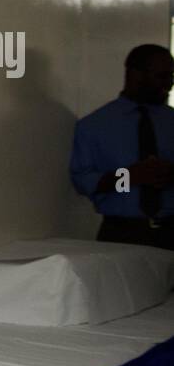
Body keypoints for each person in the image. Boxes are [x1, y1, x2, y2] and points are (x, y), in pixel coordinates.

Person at [69, 44, 174, 250]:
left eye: (172, 76)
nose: (169, 84)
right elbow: (83, 182)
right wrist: (129, 177)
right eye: (162, 76)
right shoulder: (94, 126)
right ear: (135, 74)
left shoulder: (171, 121)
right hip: (122, 235)